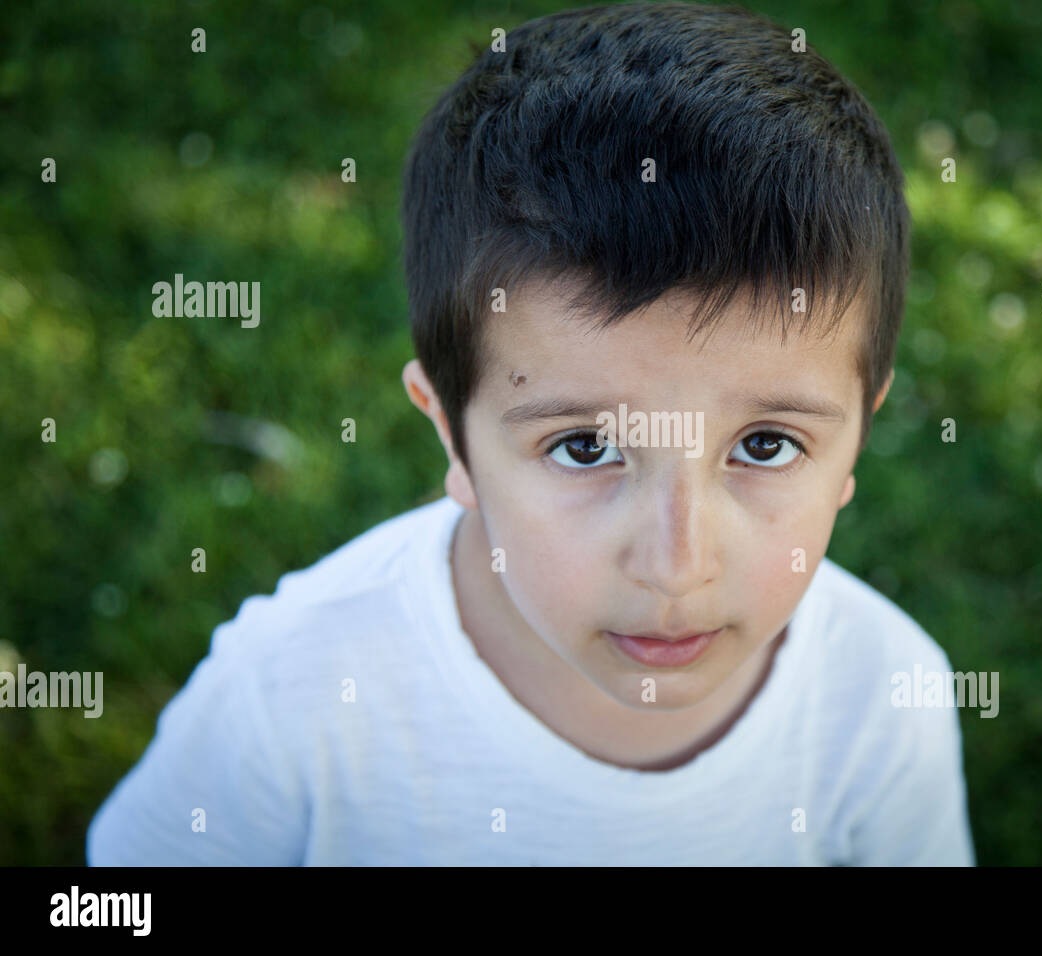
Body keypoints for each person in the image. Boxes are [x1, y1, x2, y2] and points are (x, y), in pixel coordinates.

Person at [88, 1, 975, 865]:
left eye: (765, 445)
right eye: (585, 448)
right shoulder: (296, 692)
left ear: (860, 433)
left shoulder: (884, 694)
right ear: (450, 433)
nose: (676, 564)